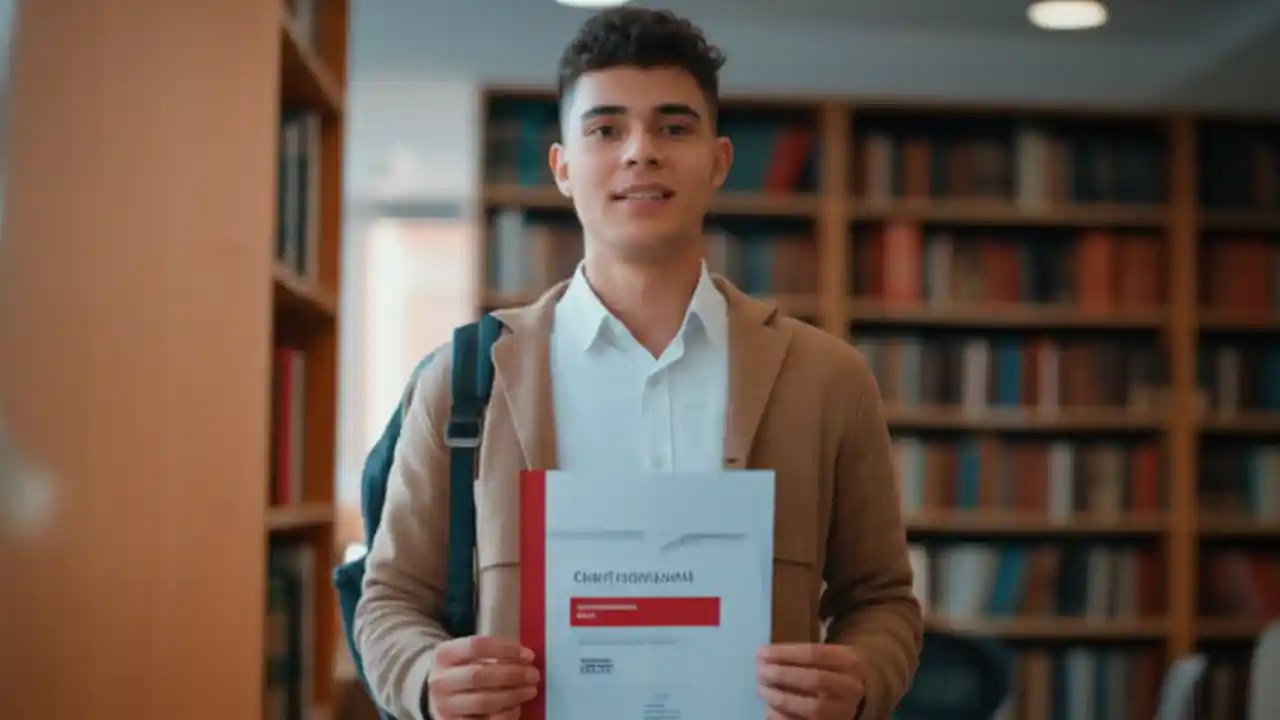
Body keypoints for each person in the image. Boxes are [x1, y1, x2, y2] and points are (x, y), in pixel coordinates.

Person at [353, 7, 922, 720]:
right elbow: (390, 601)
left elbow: (883, 601)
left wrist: (864, 677)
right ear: (562, 168)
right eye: (605, 128)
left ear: (717, 162)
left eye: (674, 127)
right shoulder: (466, 378)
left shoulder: (829, 379)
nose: (639, 152)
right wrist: (423, 681)